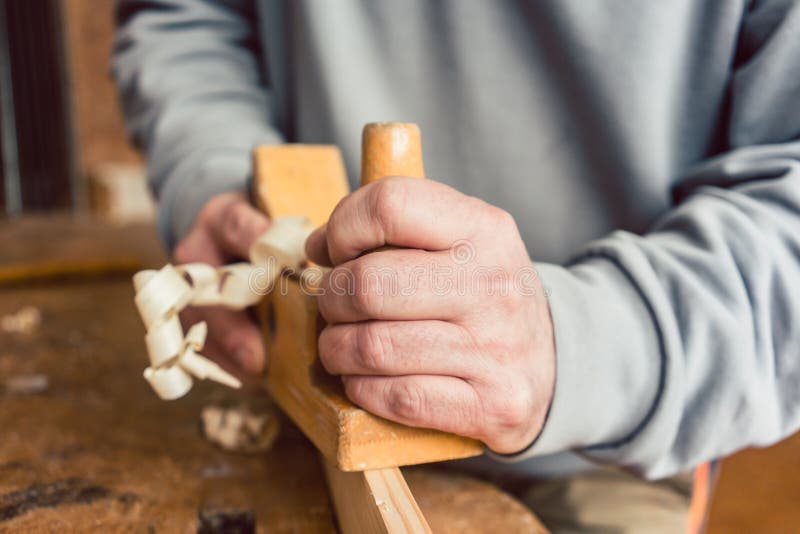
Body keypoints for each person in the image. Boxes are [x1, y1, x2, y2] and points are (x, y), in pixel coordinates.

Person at [112, 1, 800, 531]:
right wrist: (219, 176)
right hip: (293, 378)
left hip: (612, 426)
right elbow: (187, 19)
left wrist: (578, 345)